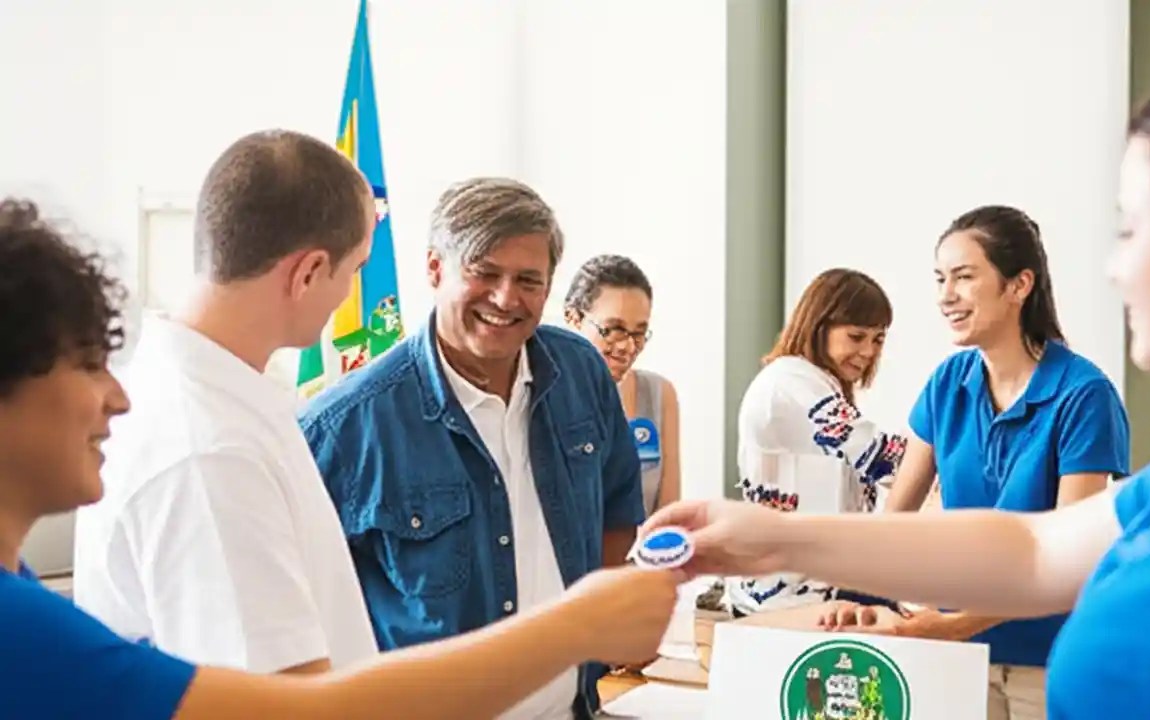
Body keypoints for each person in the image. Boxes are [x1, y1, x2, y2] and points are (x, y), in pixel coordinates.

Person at [644, 51, 1150, 720]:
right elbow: (1032, 549)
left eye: (1131, 229)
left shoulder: (1092, 399)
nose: (1115, 268)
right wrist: (772, 538)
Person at [0, 197, 681, 720]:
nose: (117, 397)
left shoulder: (25, 596)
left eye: (528, 279)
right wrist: (575, 626)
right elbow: (309, 712)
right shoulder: (28, 626)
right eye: (88, 364)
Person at [300, 177, 644, 719]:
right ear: (435, 269)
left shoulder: (582, 374)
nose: (507, 299)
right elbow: (301, 617)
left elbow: (619, 508)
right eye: (485, 273)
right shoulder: (343, 429)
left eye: (529, 280)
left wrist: (598, 638)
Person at [73, 129, 387, 674]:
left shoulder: (221, 394)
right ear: (309, 272)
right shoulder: (210, 449)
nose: (348, 295)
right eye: (356, 270)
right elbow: (278, 700)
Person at [821, 206, 1131, 719]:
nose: (945, 296)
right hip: (958, 660)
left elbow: (1071, 564)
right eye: (940, 279)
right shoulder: (948, 384)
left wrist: (955, 624)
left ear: (1018, 285)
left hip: (1048, 665)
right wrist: (854, 593)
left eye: (964, 277)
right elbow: (896, 520)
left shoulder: (1084, 396)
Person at [726, 268, 906, 617]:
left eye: (878, 339)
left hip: (812, 587)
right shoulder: (790, 380)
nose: (868, 351)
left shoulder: (817, 383)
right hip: (787, 597)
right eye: (856, 337)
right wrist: (945, 457)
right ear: (818, 325)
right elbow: (877, 455)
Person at [563, 254, 680, 516]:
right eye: (614, 329)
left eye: (638, 333)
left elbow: (668, 514)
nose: (627, 346)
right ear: (573, 319)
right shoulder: (543, 396)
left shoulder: (658, 395)